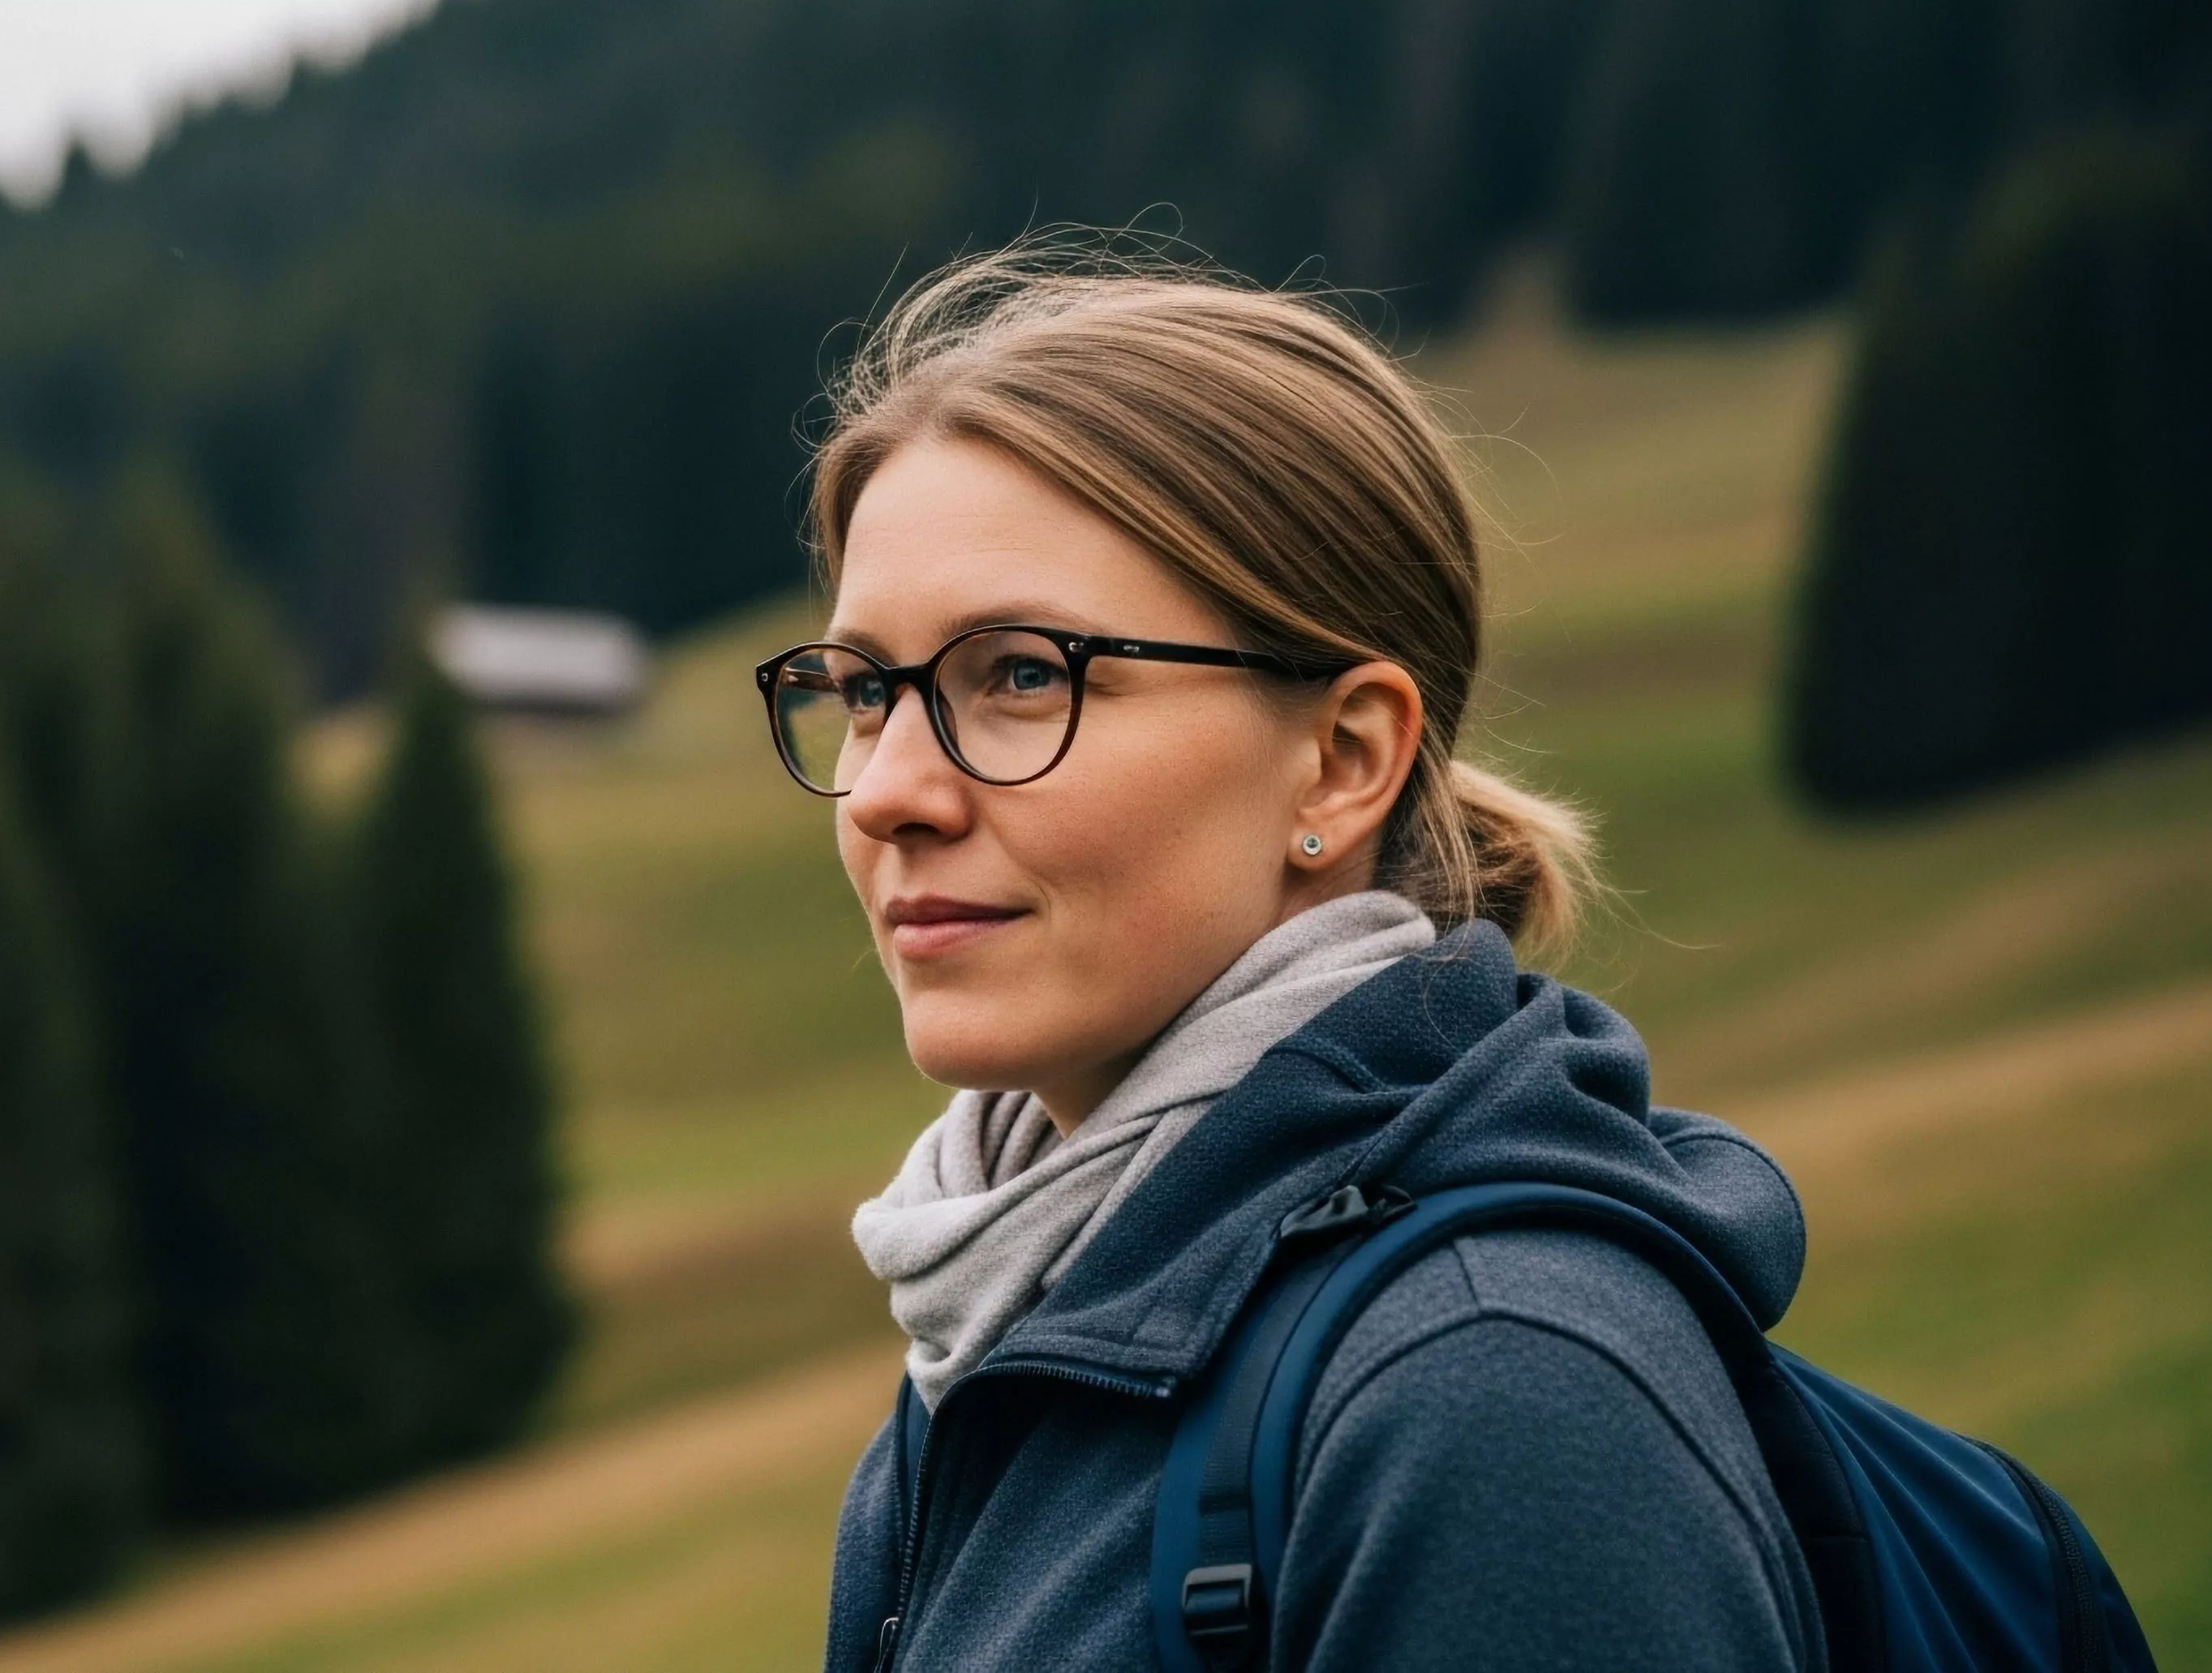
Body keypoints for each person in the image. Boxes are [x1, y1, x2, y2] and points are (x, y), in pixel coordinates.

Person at [771, 247, 1823, 1671]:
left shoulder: (1486, 1396)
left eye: (1020, 675)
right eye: (862, 694)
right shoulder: (995, 1336)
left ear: (1340, 762)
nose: (892, 788)